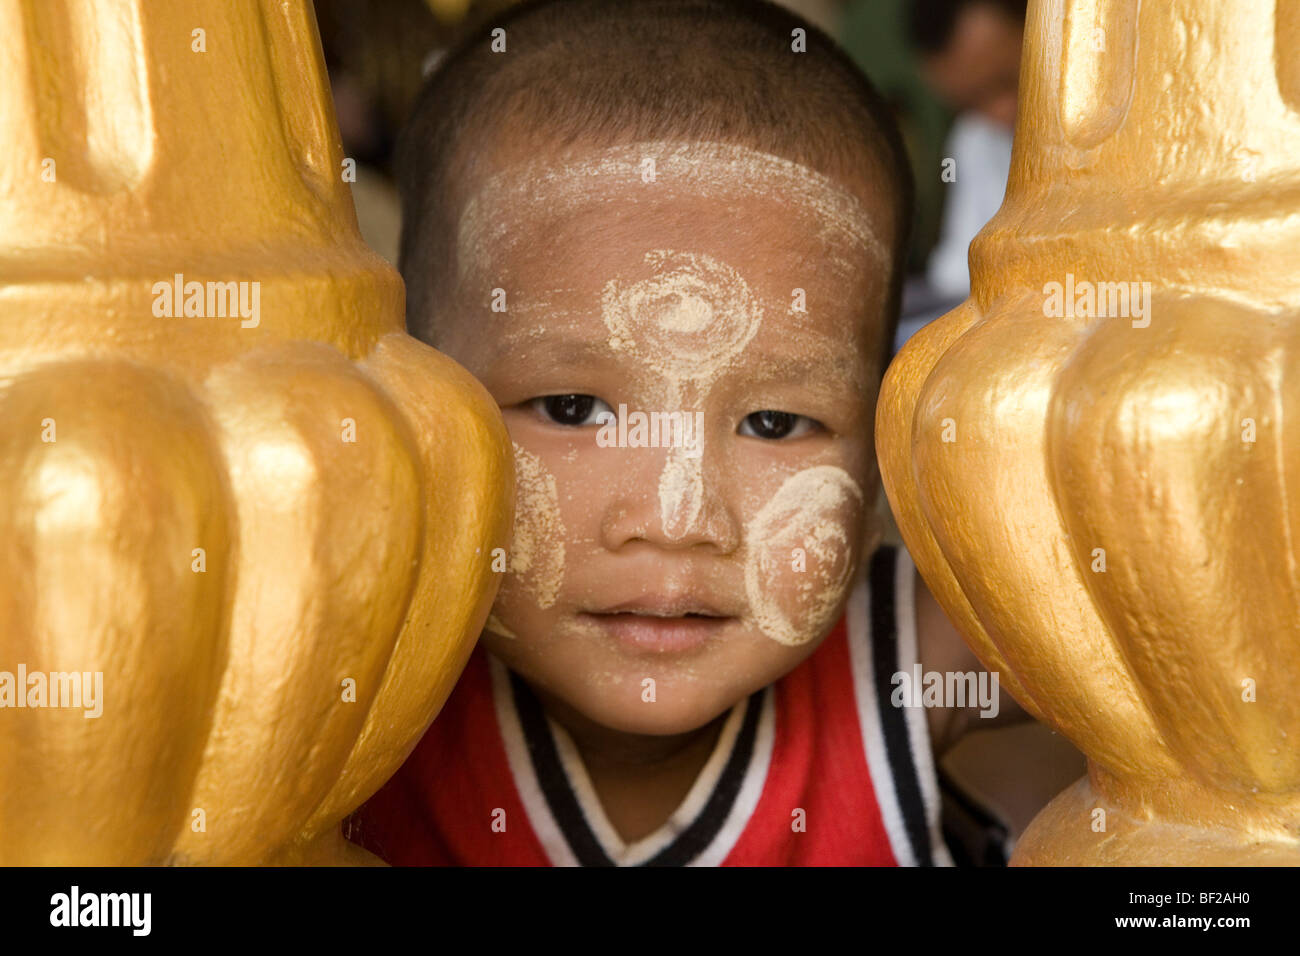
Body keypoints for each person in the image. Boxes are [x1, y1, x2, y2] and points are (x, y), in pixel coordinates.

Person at [345, 0, 1022, 866]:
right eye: (571, 410)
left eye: (774, 423)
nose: (677, 516)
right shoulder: (361, 695)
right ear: (419, 400)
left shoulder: (903, 666)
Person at [907, 0, 1024, 308]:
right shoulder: (975, 137)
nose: (1001, 112)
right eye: (972, 102)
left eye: (1008, 81)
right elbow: (958, 269)